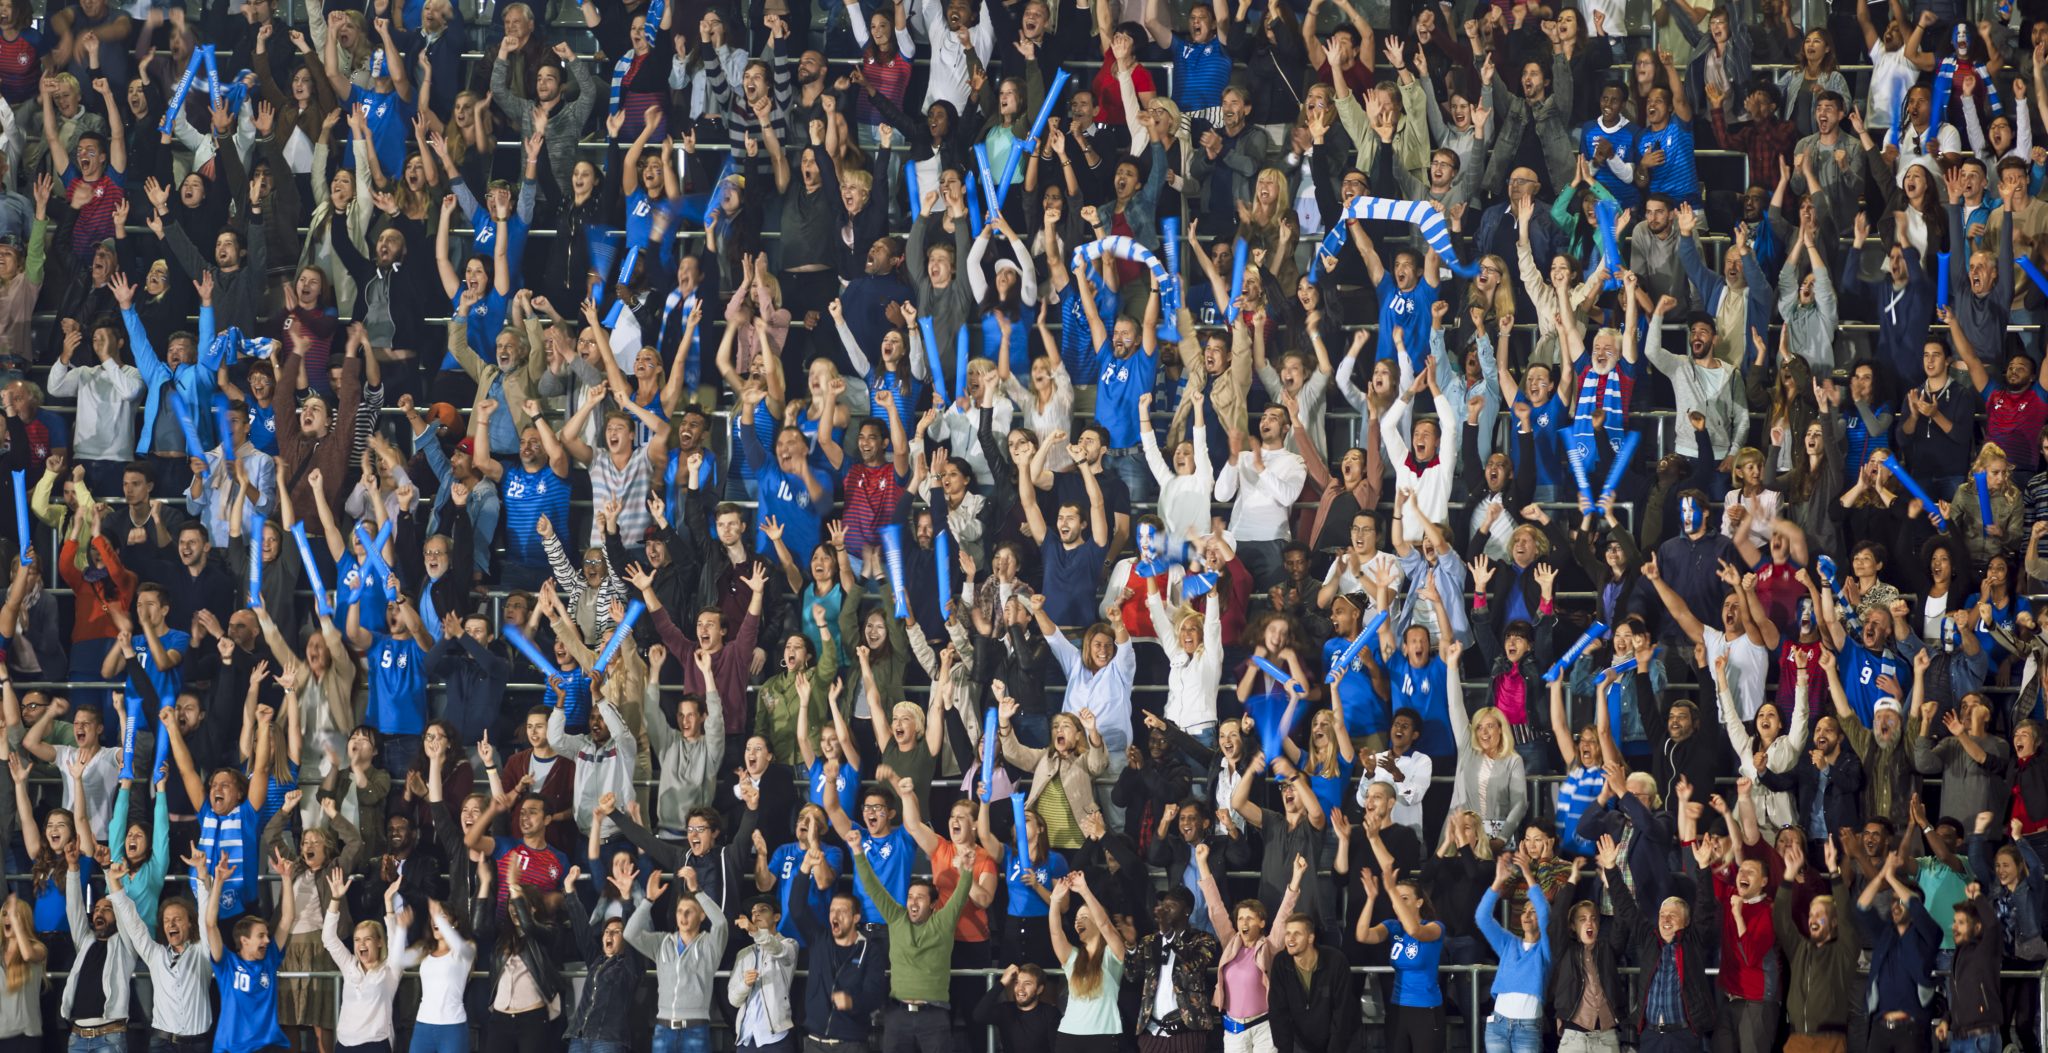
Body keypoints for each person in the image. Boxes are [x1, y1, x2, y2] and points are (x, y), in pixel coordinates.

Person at [844, 821, 975, 1053]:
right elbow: (873, 888)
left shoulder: (942, 922)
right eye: (910, 896)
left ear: (933, 904)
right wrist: (857, 852)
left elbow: (960, 896)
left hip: (934, 1016)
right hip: (897, 1016)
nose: (913, 902)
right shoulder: (896, 917)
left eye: (920, 897)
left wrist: (966, 870)